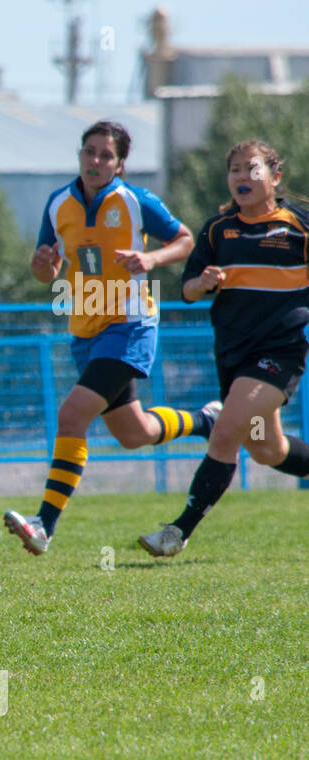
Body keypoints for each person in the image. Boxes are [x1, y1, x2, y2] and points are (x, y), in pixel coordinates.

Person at [3, 120, 218, 556]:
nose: (95, 161)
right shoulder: (57, 203)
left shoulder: (136, 201)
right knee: (133, 433)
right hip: (84, 333)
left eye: (106, 155)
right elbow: (46, 270)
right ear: (79, 155)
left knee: (71, 416)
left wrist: (151, 257)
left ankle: (44, 525)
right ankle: (205, 421)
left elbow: (184, 239)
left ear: (120, 165)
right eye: (89, 152)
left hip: (129, 326)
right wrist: (42, 266)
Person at [138, 140, 309, 556]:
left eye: (251, 168)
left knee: (226, 431)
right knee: (267, 449)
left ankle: (177, 532)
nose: (241, 177)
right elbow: (188, 290)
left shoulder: (298, 225)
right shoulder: (219, 229)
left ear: (274, 176)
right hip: (234, 355)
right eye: (234, 169)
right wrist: (203, 282)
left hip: (281, 352)